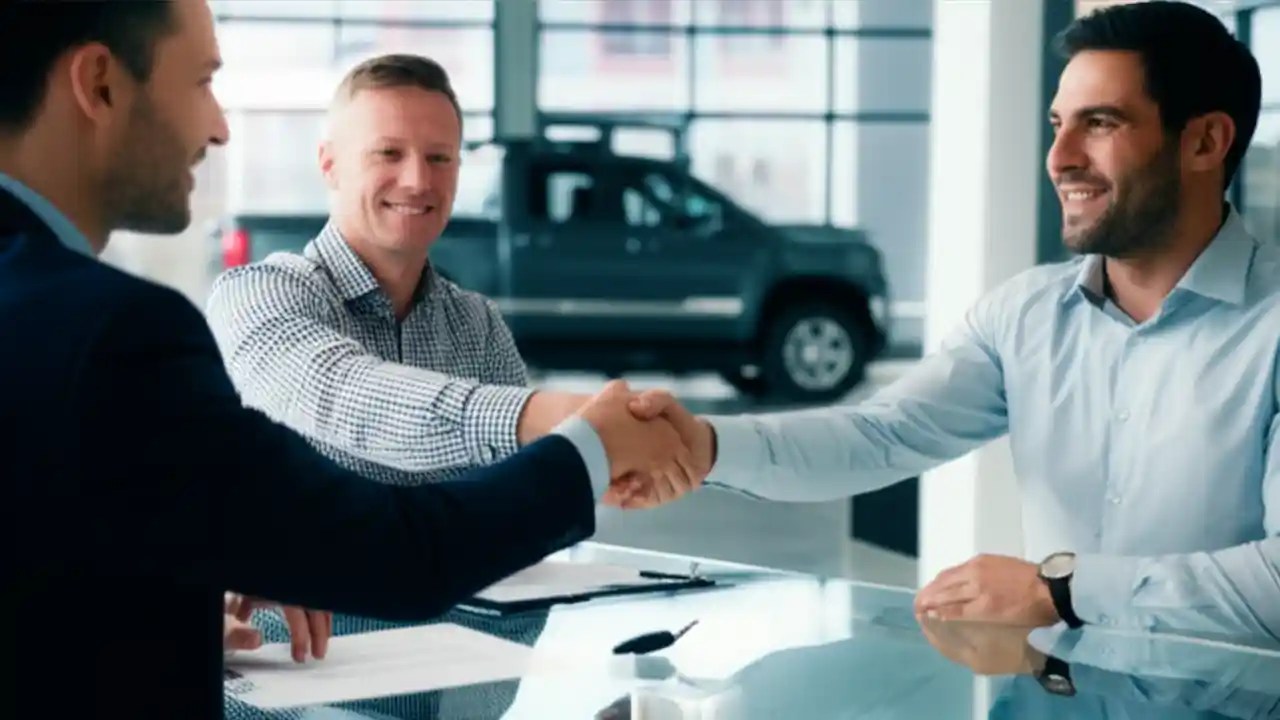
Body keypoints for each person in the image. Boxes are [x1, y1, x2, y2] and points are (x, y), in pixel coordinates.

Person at [0, 1, 698, 717]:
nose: (220, 126)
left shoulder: (475, 320)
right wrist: (583, 439)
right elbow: (382, 500)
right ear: (99, 83)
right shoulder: (127, 327)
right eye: (202, 81)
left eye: (439, 158)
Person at [629, 1, 1280, 641]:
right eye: (1057, 124)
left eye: (1100, 123)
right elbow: (878, 436)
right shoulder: (1024, 315)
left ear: (1204, 141)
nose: (1059, 157)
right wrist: (702, 447)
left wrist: (1060, 590)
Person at [205, 53, 599, 490]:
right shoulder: (255, 296)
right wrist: (558, 418)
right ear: (329, 164)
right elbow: (347, 399)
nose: (417, 180)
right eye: (388, 153)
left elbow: (522, 490)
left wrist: (607, 464)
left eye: (439, 158)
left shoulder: (478, 325)